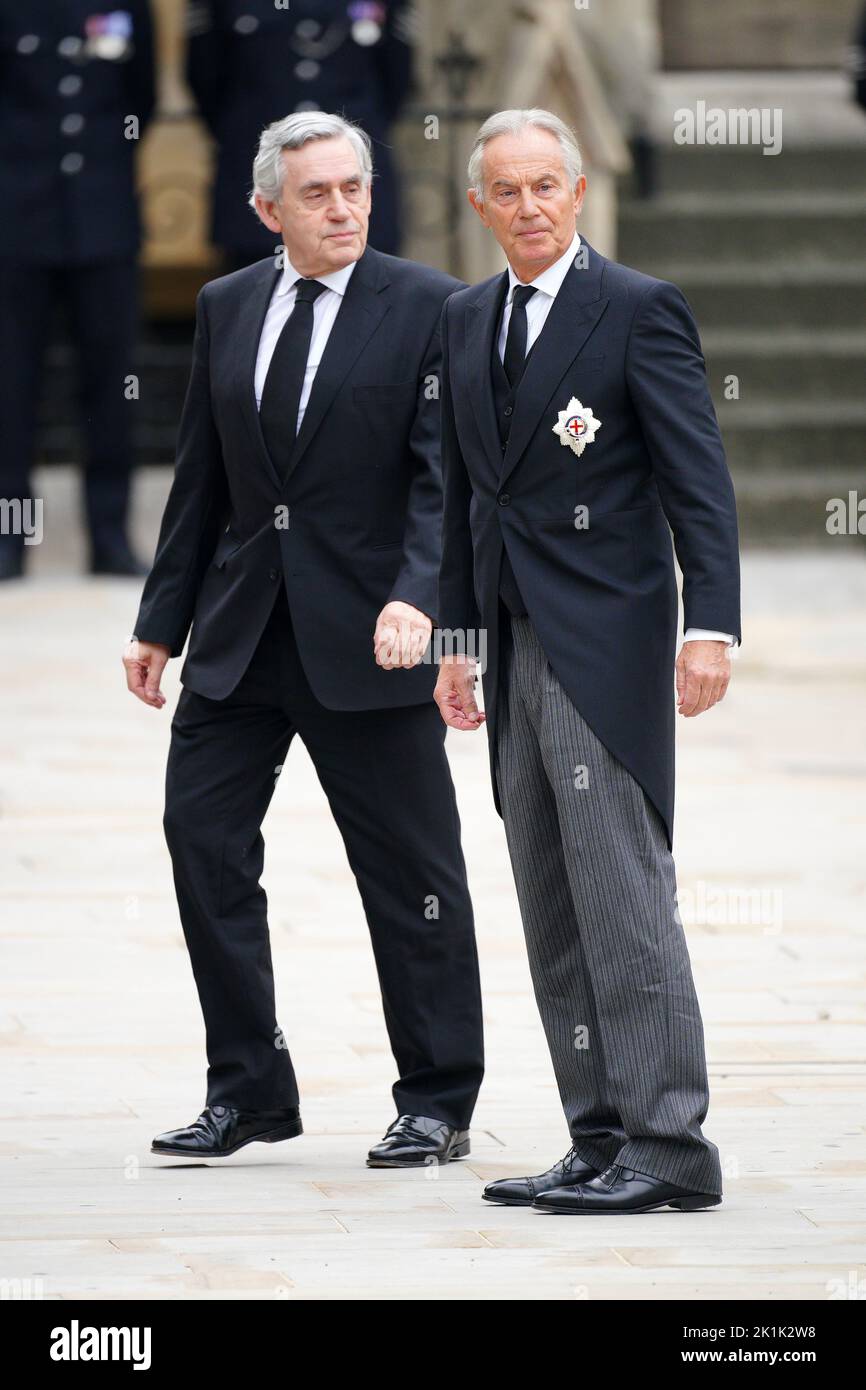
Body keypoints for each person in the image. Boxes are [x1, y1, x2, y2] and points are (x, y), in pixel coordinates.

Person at [122, 112, 483, 1169]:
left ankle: (436, 1099)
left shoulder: (431, 306)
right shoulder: (226, 304)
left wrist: (419, 599)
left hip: (373, 640)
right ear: (267, 209)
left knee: (411, 875)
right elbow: (202, 477)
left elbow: (445, 480)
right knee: (202, 842)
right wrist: (159, 623)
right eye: (316, 194)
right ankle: (248, 1089)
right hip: (241, 636)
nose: (341, 209)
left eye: (353, 188)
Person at [435, 108, 740, 1214]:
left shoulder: (638, 309)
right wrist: (457, 645)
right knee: (552, 901)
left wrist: (710, 625)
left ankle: (669, 1147)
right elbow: (465, 497)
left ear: (575, 191)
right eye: (506, 191)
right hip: (511, 637)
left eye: (544, 186)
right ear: (480, 205)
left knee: (619, 894)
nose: (528, 207)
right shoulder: (465, 318)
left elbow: (696, 477)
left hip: (604, 642)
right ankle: (598, 1133)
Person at [0, 0, 155, 580]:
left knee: (113, 389)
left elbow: (140, 99)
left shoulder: (123, 6)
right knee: (11, 390)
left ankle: (109, 538)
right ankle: (11, 539)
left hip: (103, 219)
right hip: (16, 223)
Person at [185, 0, 413, 268]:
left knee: (365, 285)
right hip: (254, 177)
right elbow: (205, 75)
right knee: (256, 287)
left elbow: (397, 77)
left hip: (351, 182)